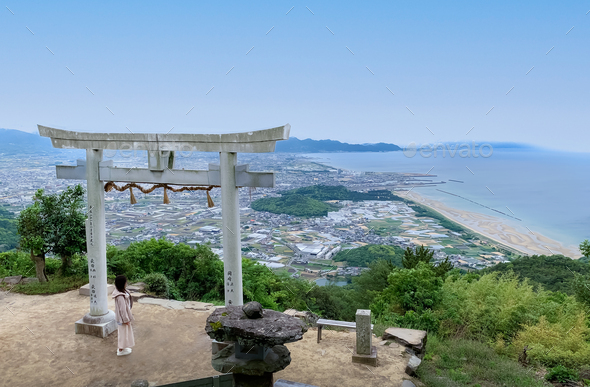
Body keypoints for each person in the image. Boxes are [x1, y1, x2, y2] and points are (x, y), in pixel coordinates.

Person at [112, 275, 135, 356]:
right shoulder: (120, 296)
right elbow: (122, 310)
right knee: (122, 333)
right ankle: (120, 349)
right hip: (122, 319)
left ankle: (123, 347)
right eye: (125, 282)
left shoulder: (122, 291)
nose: (126, 283)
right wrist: (126, 320)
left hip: (123, 318)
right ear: (122, 283)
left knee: (124, 332)